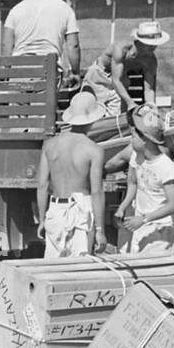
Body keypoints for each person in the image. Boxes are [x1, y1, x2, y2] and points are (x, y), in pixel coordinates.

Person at [36, 91, 108, 258]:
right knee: (79, 270)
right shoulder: (94, 150)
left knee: (52, 268)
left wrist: (41, 219)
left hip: (55, 209)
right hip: (80, 210)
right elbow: (97, 191)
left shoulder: (50, 145)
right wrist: (100, 230)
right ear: (93, 119)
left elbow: (42, 185)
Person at [115, 104, 174, 255]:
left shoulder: (166, 167)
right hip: (140, 225)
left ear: (146, 139)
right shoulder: (136, 156)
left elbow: (173, 205)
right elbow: (133, 183)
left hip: (159, 229)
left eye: (133, 136)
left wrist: (144, 219)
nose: (131, 140)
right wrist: (122, 207)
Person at [1, 0, 80, 82]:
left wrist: (5, 72)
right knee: (47, 98)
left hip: (18, 71)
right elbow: (73, 46)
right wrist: (76, 72)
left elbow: (7, 45)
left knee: (17, 98)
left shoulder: (15, 10)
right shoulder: (65, 8)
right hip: (49, 71)